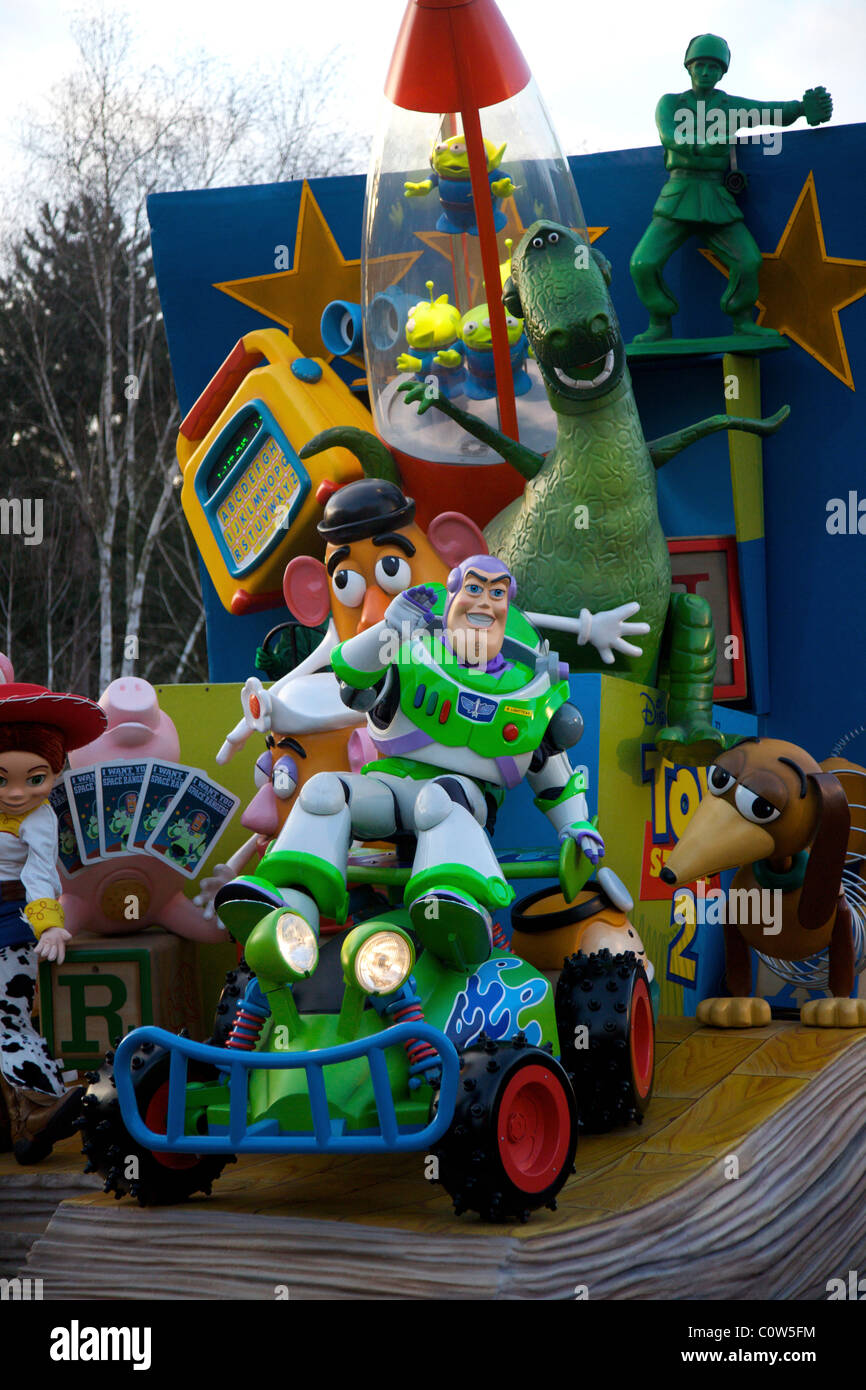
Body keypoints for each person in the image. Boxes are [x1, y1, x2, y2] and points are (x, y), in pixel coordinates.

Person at [217, 556, 606, 968]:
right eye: (474, 589)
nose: (484, 603)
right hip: (388, 788)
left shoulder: (528, 688)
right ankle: (291, 911)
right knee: (323, 790)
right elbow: (350, 672)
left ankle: (450, 908)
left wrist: (575, 824)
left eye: (496, 593)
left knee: (438, 800)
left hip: (460, 798)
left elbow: (552, 771)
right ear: (453, 594)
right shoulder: (409, 652)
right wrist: (389, 628)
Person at [630, 34, 832, 341]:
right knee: (643, 263)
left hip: (714, 195)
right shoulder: (671, 103)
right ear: (689, 67)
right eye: (700, 65)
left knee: (748, 260)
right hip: (679, 192)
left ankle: (741, 320)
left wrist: (803, 108)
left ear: (723, 72)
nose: (706, 72)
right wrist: (702, 146)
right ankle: (660, 323)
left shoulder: (729, 106)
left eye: (714, 66)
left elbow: (770, 112)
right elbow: (669, 135)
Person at [0, 683, 106, 1162]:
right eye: (2, 779)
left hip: (10, 920)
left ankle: (39, 1110)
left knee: (9, 1016)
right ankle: (26, 1119)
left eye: (35, 778)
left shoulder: (39, 820)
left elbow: (39, 873)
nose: (18, 792)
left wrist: (48, 925)